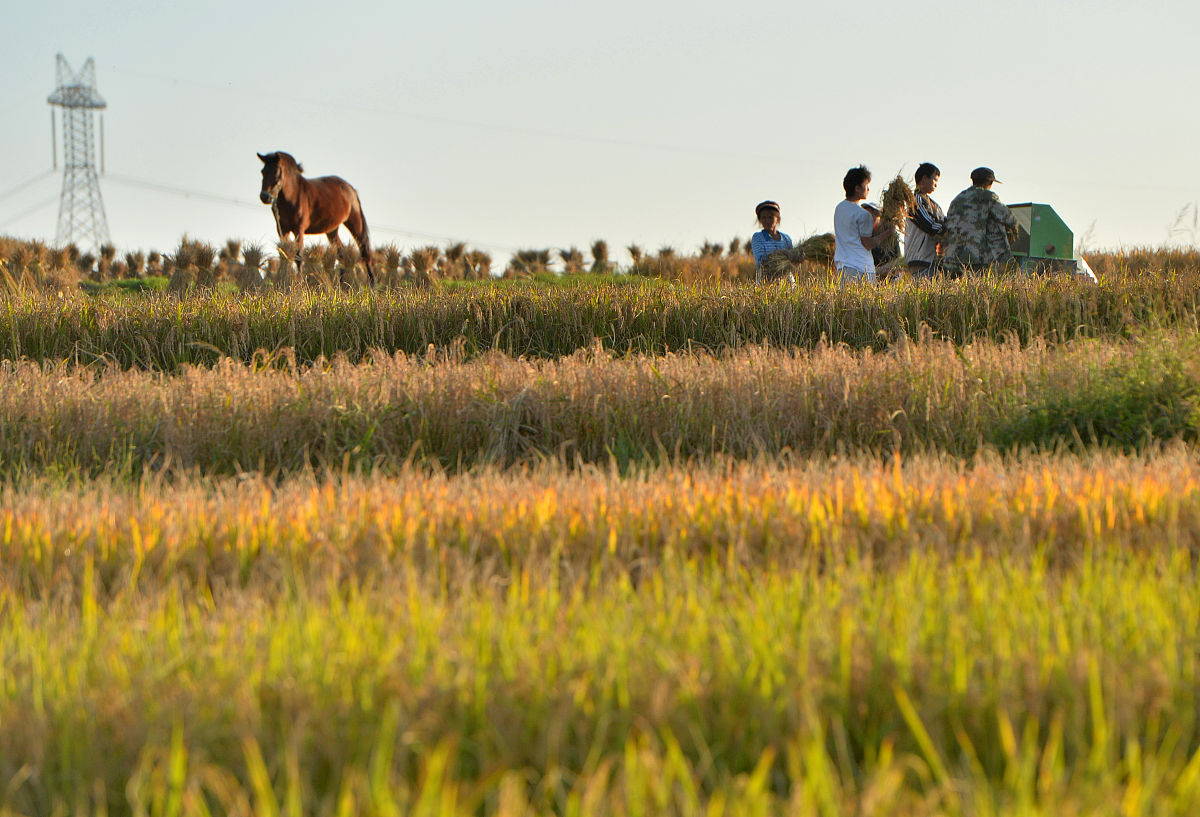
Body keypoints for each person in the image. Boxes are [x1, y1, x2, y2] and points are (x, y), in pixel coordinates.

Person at [942, 167, 1018, 274]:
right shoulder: (988, 197)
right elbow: (1010, 219)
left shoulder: (957, 199)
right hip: (976, 258)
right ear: (989, 182)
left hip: (952, 258)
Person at [834, 166, 893, 284]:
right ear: (857, 188)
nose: (868, 189)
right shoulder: (863, 214)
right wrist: (887, 232)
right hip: (861, 267)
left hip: (843, 266)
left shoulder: (839, 208)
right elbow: (868, 243)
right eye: (866, 185)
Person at [904, 162, 945, 277]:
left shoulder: (933, 205)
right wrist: (946, 230)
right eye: (935, 180)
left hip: (931, 259)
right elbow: (929, 224)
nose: (936, 185)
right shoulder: (915, 200)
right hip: (920, 258)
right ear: (924, 178)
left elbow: (941, 221)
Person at [750, 200, 794, 283]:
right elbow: (761, 261)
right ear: (760, 220)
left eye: (771, 217)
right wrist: (783, 254)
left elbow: (792, 262)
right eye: (764, 218)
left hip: (788, 284)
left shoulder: (786, 238)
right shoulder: (758, 237)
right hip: (767, 284)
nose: (767, 221)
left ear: (777, 219)